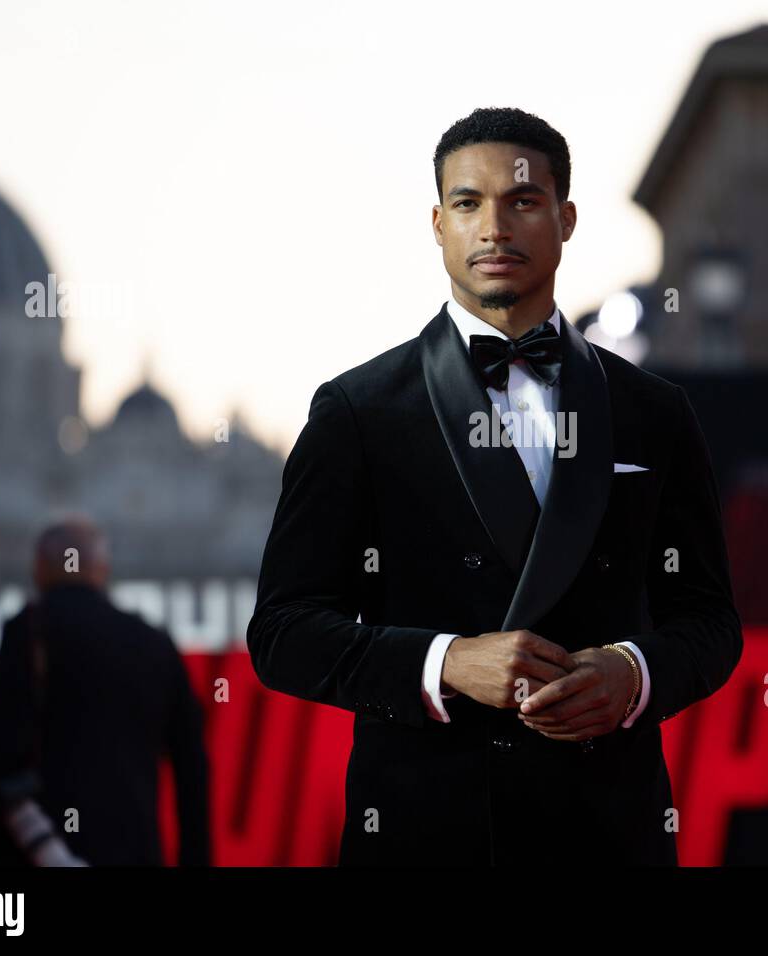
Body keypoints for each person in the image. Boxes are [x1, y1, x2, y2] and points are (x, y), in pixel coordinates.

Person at [247, 107, 742, 865]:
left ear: (566, 218)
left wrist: (633, 674)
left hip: (608, 831)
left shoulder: (654, 411)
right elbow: (282, 633)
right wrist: (444, 662)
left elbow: (709, 622)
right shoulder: (358, 411)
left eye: (522, 201)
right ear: (438, 222)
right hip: (424, 831)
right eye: (469, 204)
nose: (494, 228)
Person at [0, 516, 211, 866]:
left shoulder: (28, 632)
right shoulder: (154, 643)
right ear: (102, 568)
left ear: (39, 568)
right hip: (132, 852)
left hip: (38, 852)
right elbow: (192, 767)